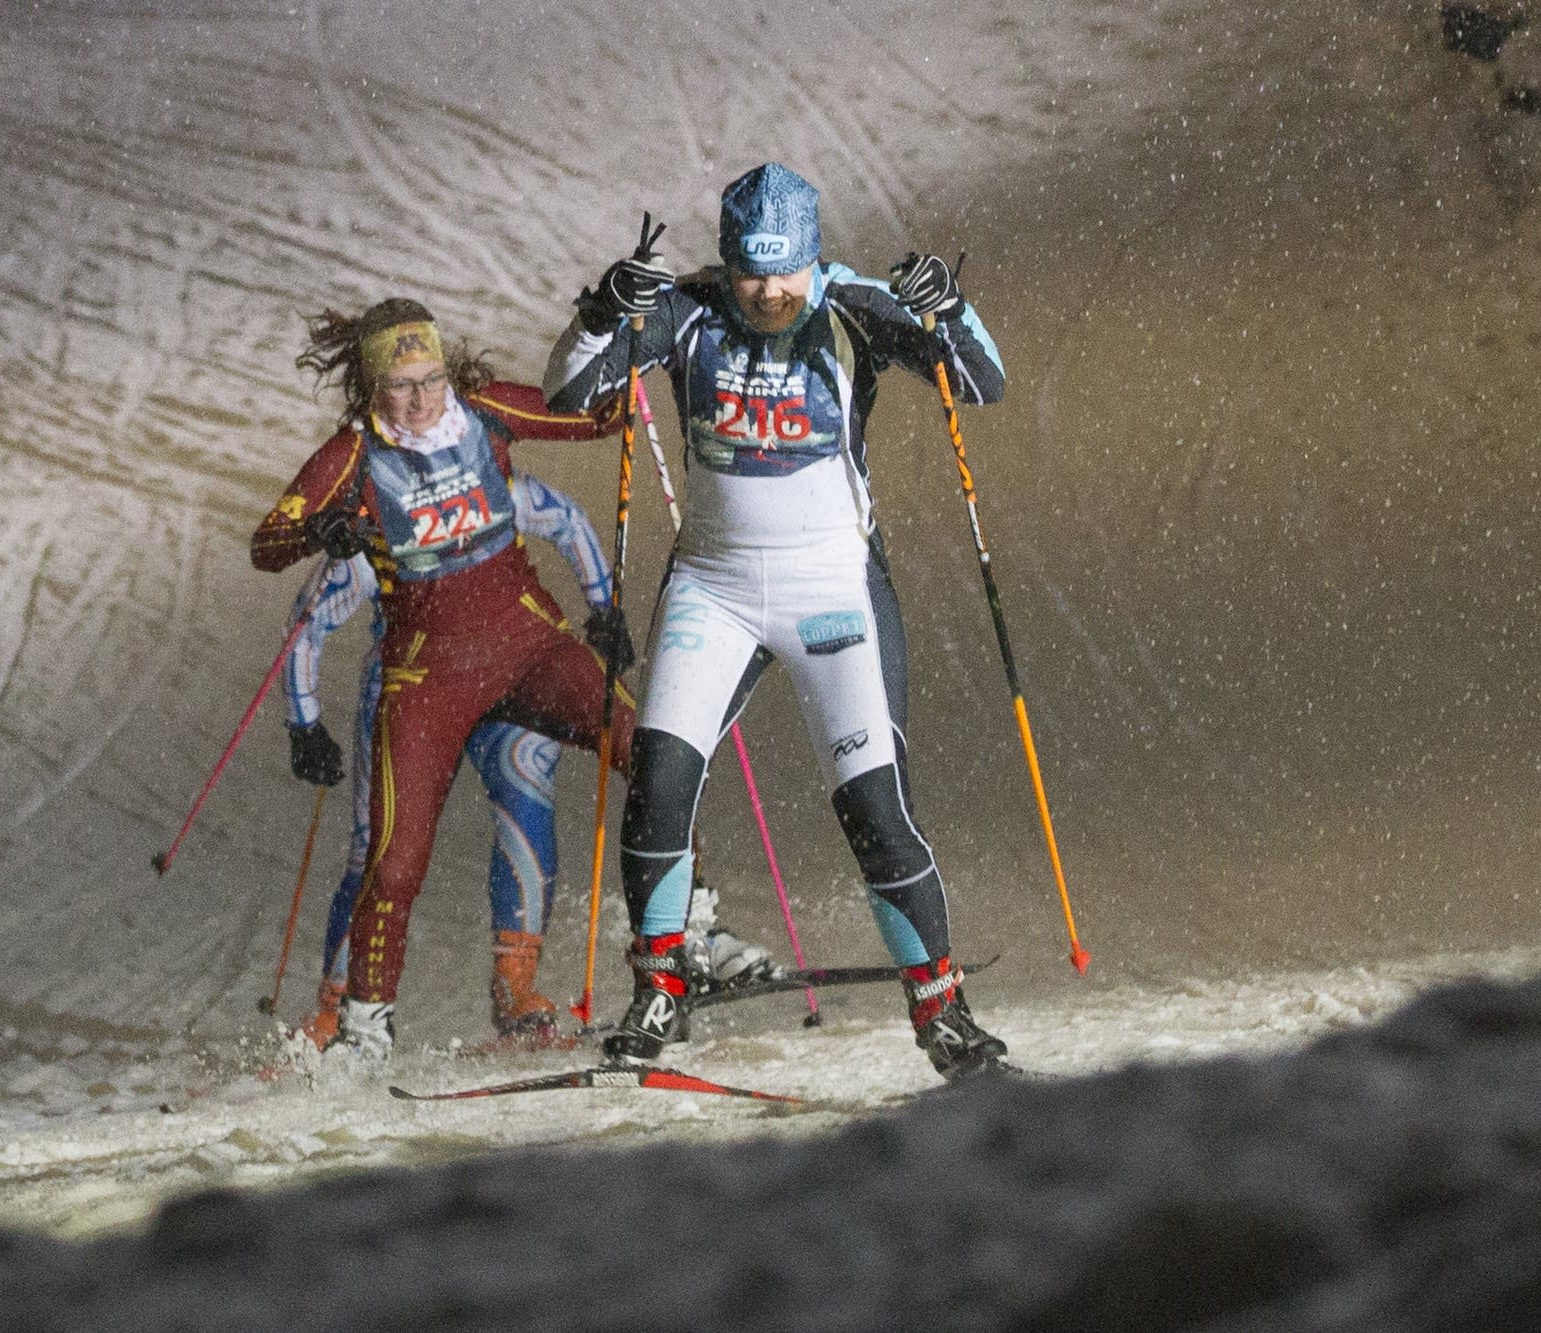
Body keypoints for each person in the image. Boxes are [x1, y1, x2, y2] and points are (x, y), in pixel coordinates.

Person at [544, 162, 1010, 1080]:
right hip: (714, 589)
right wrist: (602, 310)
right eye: (752, 273)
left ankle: (942, 1010)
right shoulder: (686, 310)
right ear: (728, 262)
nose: (769, 292)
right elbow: (573, 391)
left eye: (786, 270)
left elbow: (980, 381)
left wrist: (948, 309)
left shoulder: (851, 307)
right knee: (659, 779)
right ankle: (661, 987)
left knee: (876, 809)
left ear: (813, 255)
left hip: (832, 589)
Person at [252, 298, 637, 1059]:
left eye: (431, 379)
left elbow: (599, 421)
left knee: (598, 766)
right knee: (387, 856)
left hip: (524, 651)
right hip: (423, 677)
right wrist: (321, 532)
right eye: (401, 386)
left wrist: (622, 330)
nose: (422, 399)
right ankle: (351, 1023)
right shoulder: (353, 458)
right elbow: (272, 551)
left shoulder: (484, 414)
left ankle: (616, 964)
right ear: (373, 388)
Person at [281, 538, 773, 1050]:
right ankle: (338, 1011)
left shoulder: (495, 496)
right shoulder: (384, 510)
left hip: (516, 664)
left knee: (535, 796)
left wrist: (604, 607)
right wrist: (303, 723)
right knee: (380, 847)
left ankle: (535, 987)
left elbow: (565, 520)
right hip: (415, 680)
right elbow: (310, 618)